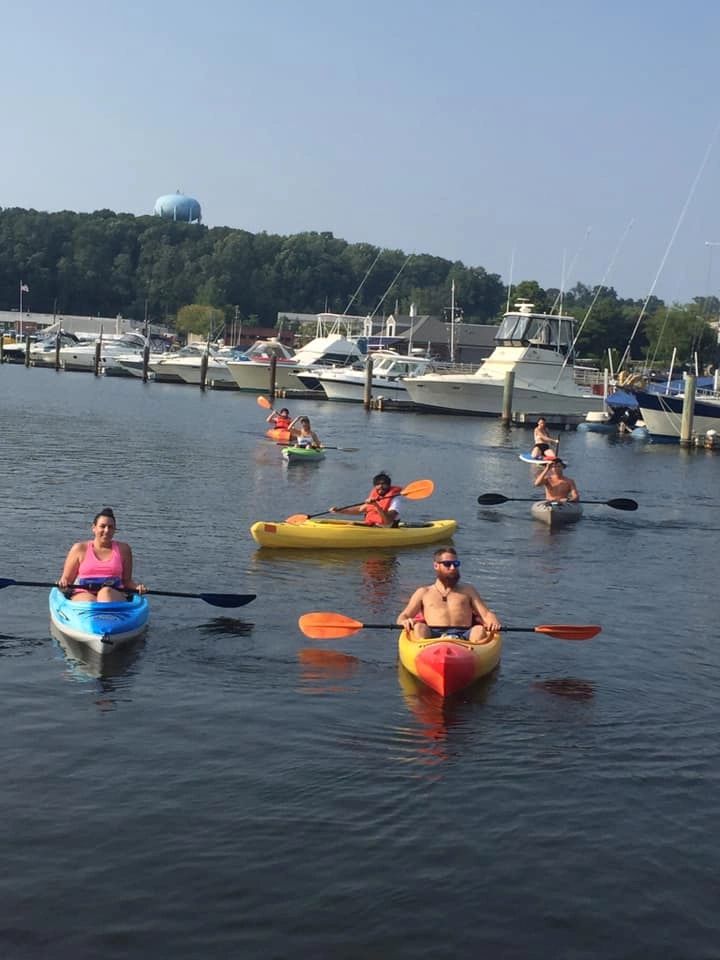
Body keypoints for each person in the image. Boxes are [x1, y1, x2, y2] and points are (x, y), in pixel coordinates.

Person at [396, 546, 502, 643]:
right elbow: (403, 616)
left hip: (464, 635)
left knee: (479, 630)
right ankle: (423, 655)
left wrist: (493, 621)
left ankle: (472, 656)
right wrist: (405, 622)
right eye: (447, 564)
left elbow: (486, 614)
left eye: (456, 564)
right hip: (432, 636)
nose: (452, 568)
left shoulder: (468, 590)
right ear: (436, 565)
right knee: (419, 627)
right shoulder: (423, 592)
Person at [57, 507, 146, 602]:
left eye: (110, 527)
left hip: (113, 594)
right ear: (94, 528)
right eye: (102, 526)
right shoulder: (79, 549)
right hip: (84, 594)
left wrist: (137, 587)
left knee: (105, 593)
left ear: (114, 530)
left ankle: (109, 611)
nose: (107, 530)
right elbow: (67, 579)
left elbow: (127, 582)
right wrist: (63, 583)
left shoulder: (124, 549)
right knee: (90, 602)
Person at [330, 471, 402, 527]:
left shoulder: (395, 500)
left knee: (351, 525)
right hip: (372, 526)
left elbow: (388, 521)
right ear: (375, 486)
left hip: (387, 528)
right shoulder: (375, 497)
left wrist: (376, 505)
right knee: (351, 524)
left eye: (384, 485)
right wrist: (339, 511)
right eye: (378, 485)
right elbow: (359, 510)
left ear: (389, 486)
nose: (381, 487)